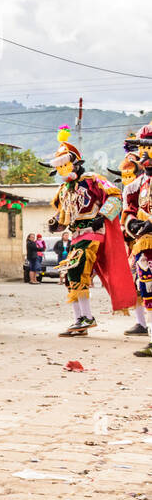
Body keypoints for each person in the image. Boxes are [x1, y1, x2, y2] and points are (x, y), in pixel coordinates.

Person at [42, 126, 134, 336]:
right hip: (76, 236)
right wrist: (55, 223)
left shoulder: (92, 179)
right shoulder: (64, 190)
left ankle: (86, 318)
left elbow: (114, 196)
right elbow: (62, 215)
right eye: (60, 168)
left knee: (76, 269)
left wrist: (103, 215)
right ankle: (79, 319)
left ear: (76, 163)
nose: (64, 170)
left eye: (66, 165)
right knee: (69, 275)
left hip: (93, 232)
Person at [118, 128, 152, 355]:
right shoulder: (140, 184)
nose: (145, 157)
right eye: (143, 151)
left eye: (148, 150)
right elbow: (130, 208)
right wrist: (132, 224)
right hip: (145, 244)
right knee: (147, 289)